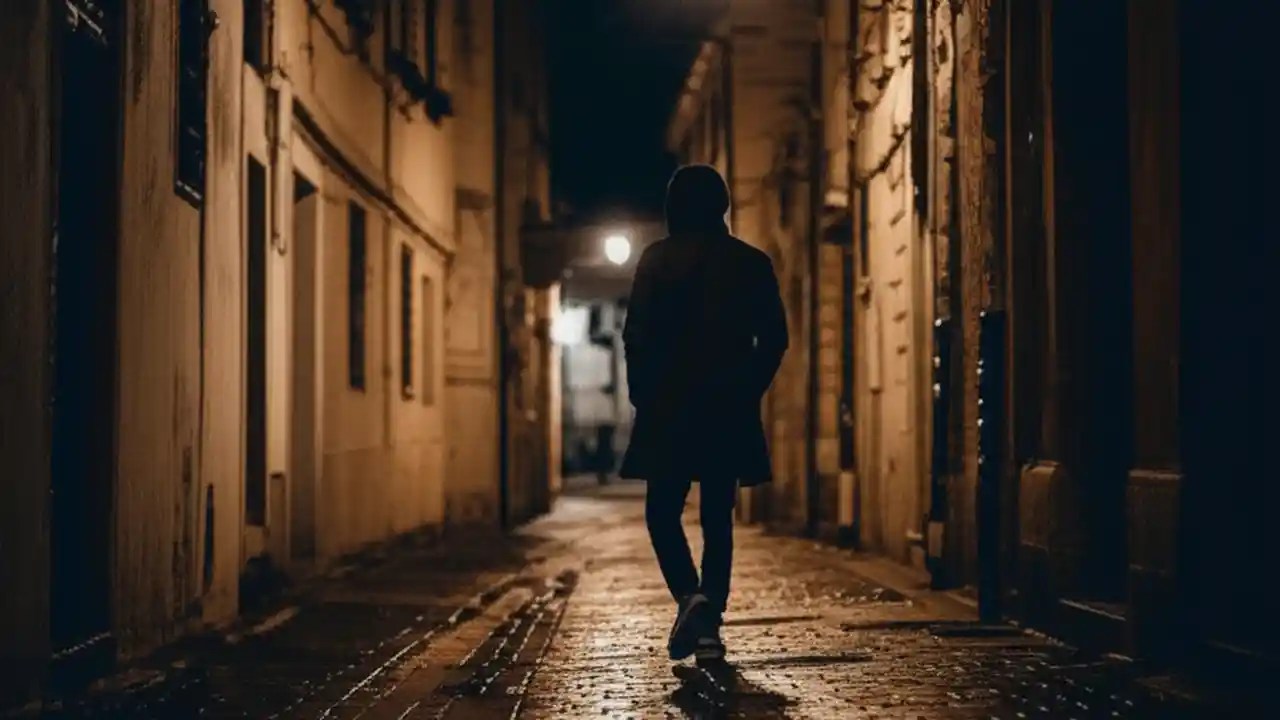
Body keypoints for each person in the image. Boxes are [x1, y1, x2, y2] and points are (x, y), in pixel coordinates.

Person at [620, 164, 788, 665]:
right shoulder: (751, 262)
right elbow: (774, 340)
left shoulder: (656, 260)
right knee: (718, 517)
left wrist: (643, 393)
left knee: (661, 513)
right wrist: (748, 386)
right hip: (727, 406)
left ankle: (690, 597)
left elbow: (635, 337)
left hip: (668, 407)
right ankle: (709, 624)